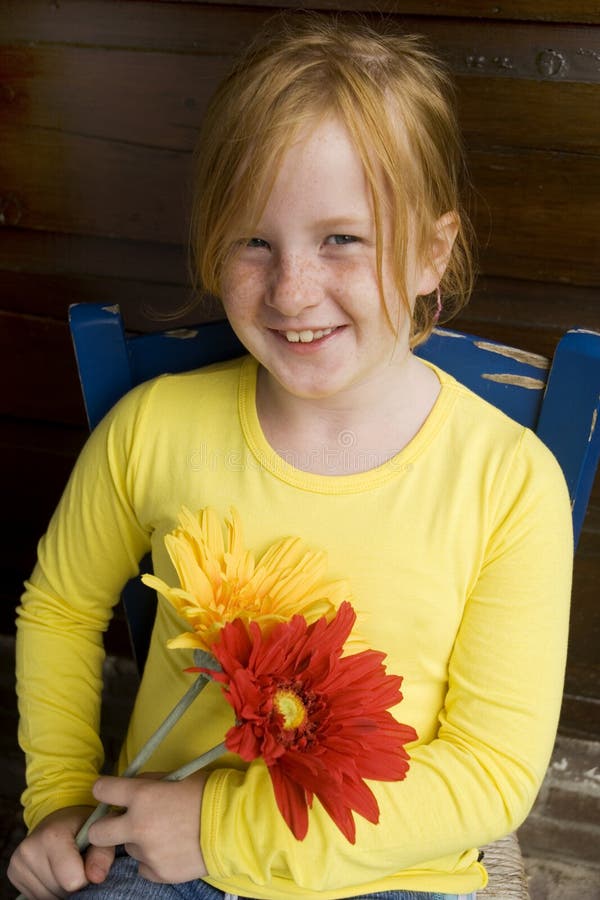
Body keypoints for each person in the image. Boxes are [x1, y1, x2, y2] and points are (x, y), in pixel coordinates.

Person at [8, 12, 573, 900]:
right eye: (253, 240)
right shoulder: (154, 427)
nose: (291, 290)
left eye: (342, 238)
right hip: (153, 863)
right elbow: (59, 610)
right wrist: (56, 798)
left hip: (387, 872)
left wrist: (220, 827)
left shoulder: (508, 482)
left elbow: (491, 773)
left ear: (433, 251)